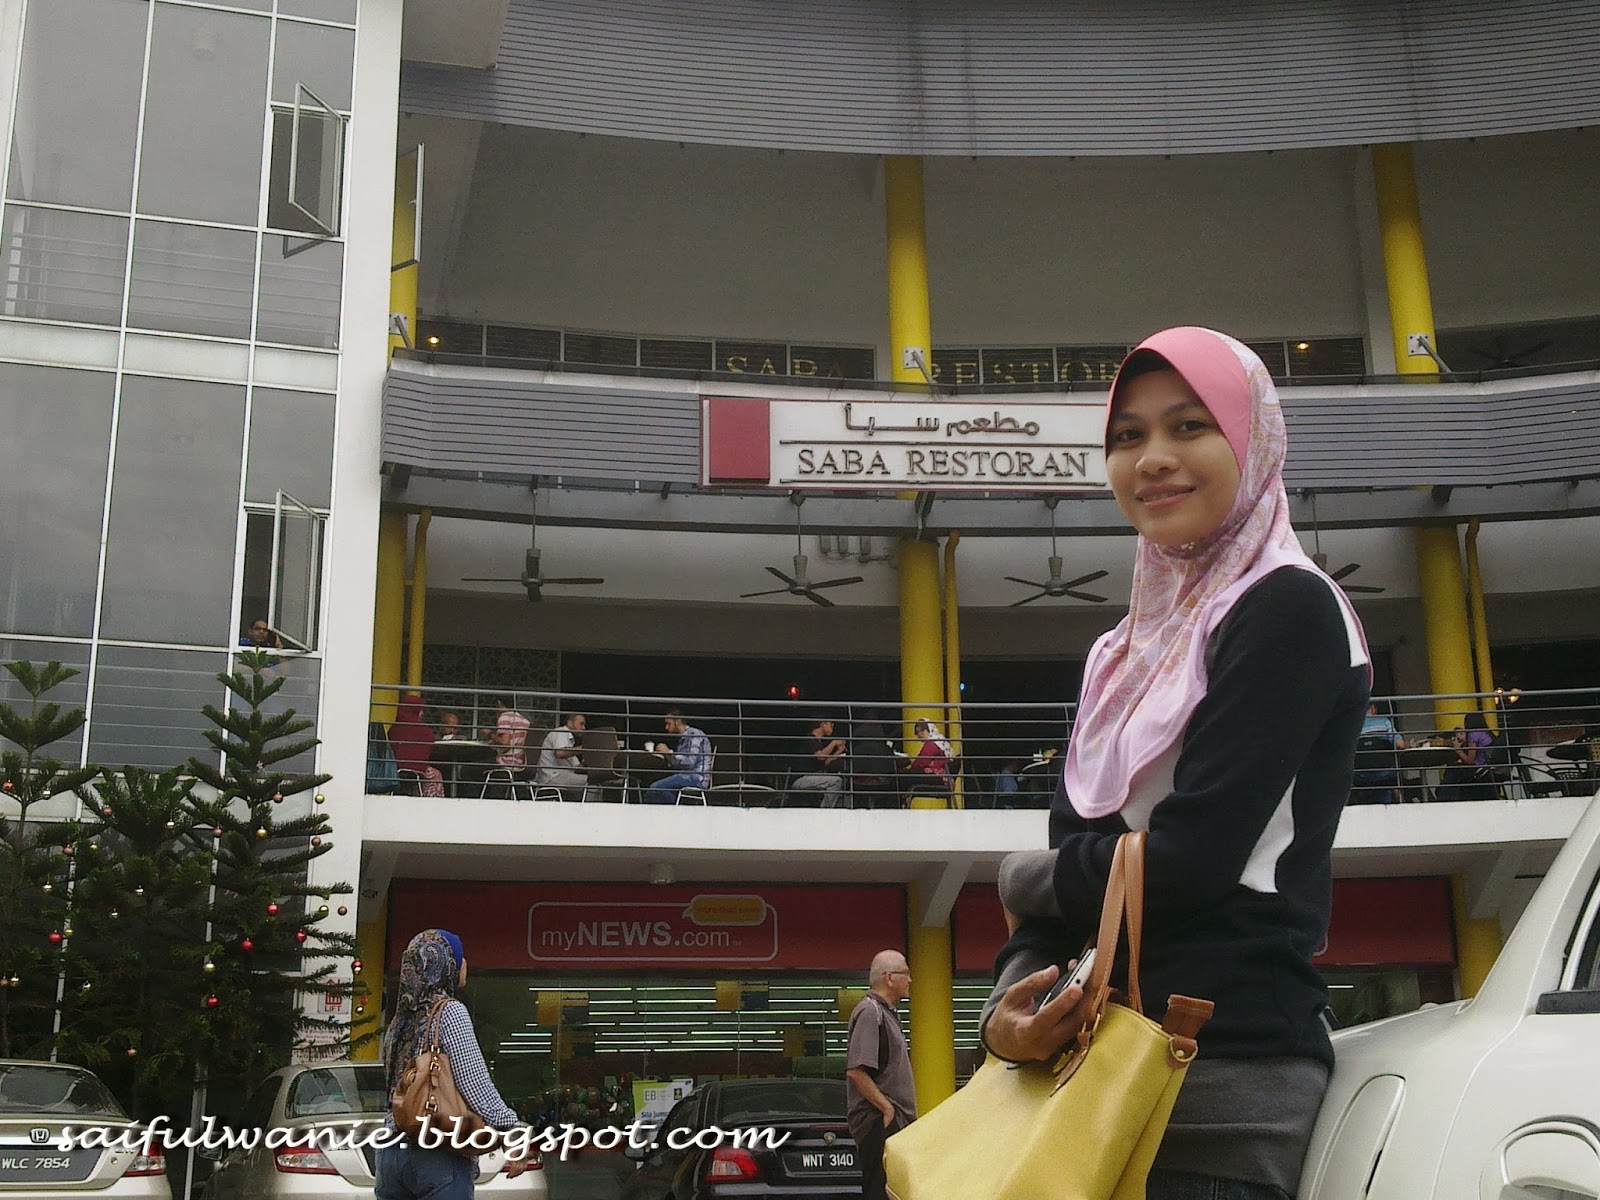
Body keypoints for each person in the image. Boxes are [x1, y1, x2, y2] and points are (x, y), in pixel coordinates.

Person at [979, 328, 1371, 1200]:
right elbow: (1076, 875)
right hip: (1077, 1091)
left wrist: (1023, 878)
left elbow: (1191, 864)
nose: (1153, 459)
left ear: (1252, 441)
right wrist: (1010, 1013)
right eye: (1127, 437)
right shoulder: (1120, 654)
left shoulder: (1287, 608)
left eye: (1189, 427)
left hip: (1214, 1090)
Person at [377, 929, 526, 1198]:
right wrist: (511, 1128)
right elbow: (473, 1081)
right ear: (447, 964)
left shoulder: (398, 1020)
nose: (465, 962)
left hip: (389, 1154)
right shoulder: (450, 1011)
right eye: (459, 956)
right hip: (436, 1154)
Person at [845, 949, 916, 1200]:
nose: (910, 979)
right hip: (879, 1122)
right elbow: (856, 1070)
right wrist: (887, 1109)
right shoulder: (870, 1012)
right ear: (889, 978)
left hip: (892, 1122)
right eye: (905, 973)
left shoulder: (887, 1014)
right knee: (879, 1191)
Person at [643, 709, 712, 803]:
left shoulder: (693, 734)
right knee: (656, 787)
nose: (666, 727)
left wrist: (669, 753)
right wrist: (667, 757)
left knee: (655, 788)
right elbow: (679, 765)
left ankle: (678, 807)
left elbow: (689, 762)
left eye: (668, 723)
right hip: (687, 777)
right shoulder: (683, 739)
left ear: (678, 721)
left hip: (696, 778)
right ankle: (679, 806)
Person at [390, 692, 445, 797]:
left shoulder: (394, 728)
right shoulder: (424, 731)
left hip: (395, 770)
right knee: (436, 774)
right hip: (417, 771)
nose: (422, 713)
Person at [1351, 701, 1406, 805]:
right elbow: (1400, 745)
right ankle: (1399, 800)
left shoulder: (1352, 726)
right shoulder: (1384, 722)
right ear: (1372, 708)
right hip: (1384, 774)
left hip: (1359, 775)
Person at [1437, 710, 1497, 802]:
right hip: (1488, 767)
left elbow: (1470, 760)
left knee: (1452, 768)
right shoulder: (1486, 733)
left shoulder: (1473, 735)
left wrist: (1458, 749)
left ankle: (1444, 797)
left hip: (1479, 769)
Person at [789, 716, 848, 807]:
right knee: (836, 781)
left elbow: (826, 762)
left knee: (839, 781)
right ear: (822, 724)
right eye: (830, 724)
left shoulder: (819, 742)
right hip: (801, 779)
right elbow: (820, 757)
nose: (832, 726)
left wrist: (838, 751)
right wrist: (834, 743)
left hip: (811, 777)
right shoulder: (810, 739)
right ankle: (825, 811)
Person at [536, 712, 588, 798]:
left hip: (560, 777)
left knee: (590, 781)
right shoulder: (561, 732)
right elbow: (560, 753)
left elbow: (578, 767)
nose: (584, 728)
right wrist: (585, 748)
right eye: (581, 724)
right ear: (570, 723)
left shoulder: (569, 741)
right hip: (552, 777)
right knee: (592, 783)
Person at [904, 720, 951, 792]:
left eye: (922, 730)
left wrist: (912, 763)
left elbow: (922, 761)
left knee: (903, 776)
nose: (920, 734)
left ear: (929, 729)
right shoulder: (939, 741)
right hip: (944, 777)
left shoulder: (932, 744)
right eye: (917, 732)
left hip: (938, 778)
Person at [488, 697, 531, 768]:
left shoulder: (505, 716)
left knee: (467, 770)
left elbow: (505, 744)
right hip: (520, 763)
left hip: (506, 762)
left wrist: (489, 734)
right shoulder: (524, 720)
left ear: (499, 703)